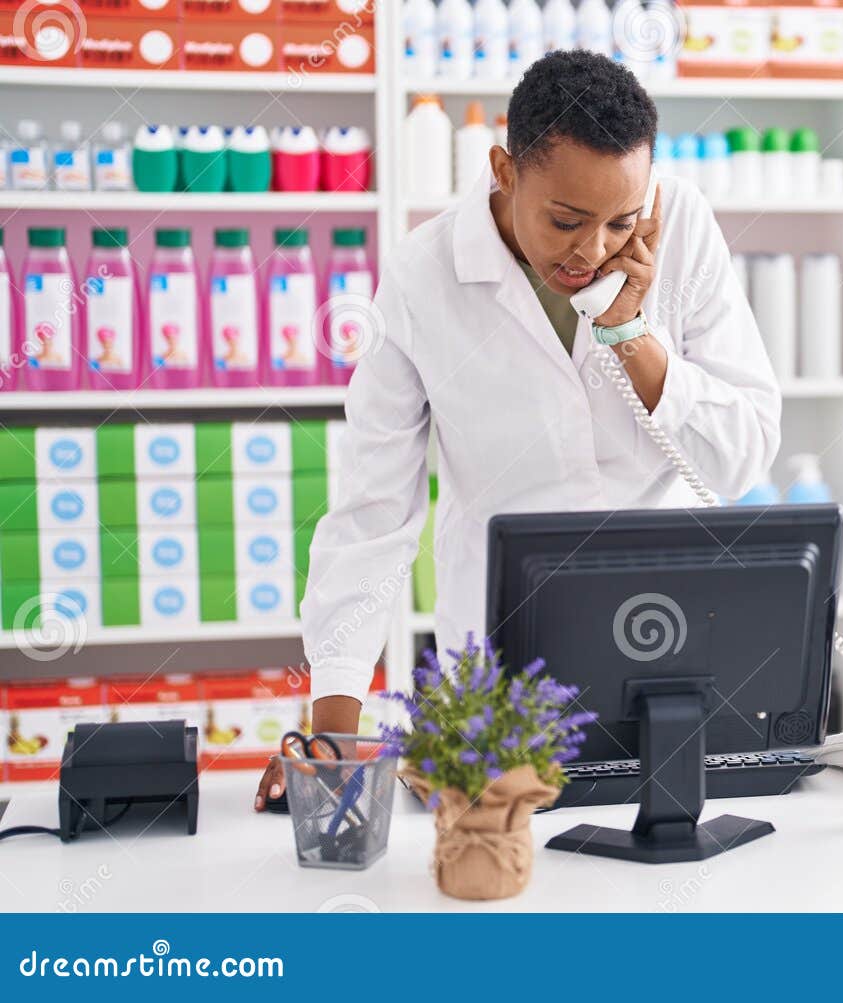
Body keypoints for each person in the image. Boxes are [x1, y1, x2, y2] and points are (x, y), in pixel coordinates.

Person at [255, 50, 781, 810]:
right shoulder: (420, 276)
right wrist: (331, 741)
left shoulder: (685, 225)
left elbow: (741, 456)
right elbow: (375, 511)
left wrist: (630, 330)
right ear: (504, 170)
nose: (593, 249)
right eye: (566, 220)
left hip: (666, 654)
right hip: (502, 683)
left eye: (620, 222)